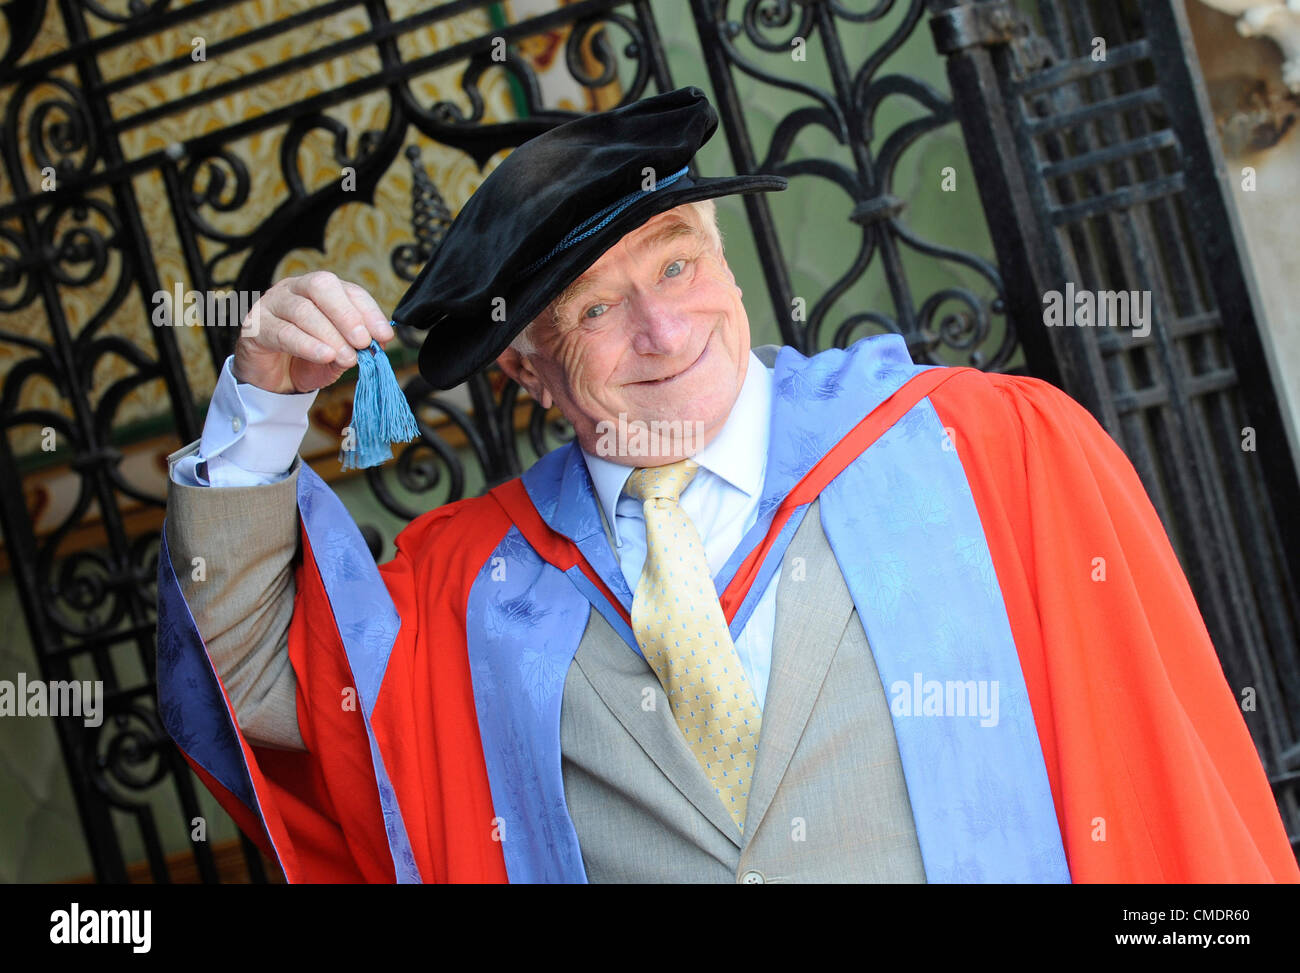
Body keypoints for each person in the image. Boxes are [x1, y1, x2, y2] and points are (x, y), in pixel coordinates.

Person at [156, 86, 1299, 883]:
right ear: (526, 368)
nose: (663, 326)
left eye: (677, 260)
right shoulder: (468, 589)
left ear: (723, 253)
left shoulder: (985, 450)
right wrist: (263, 403)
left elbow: (1170, 784)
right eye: (596, 308)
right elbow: (259, 692)